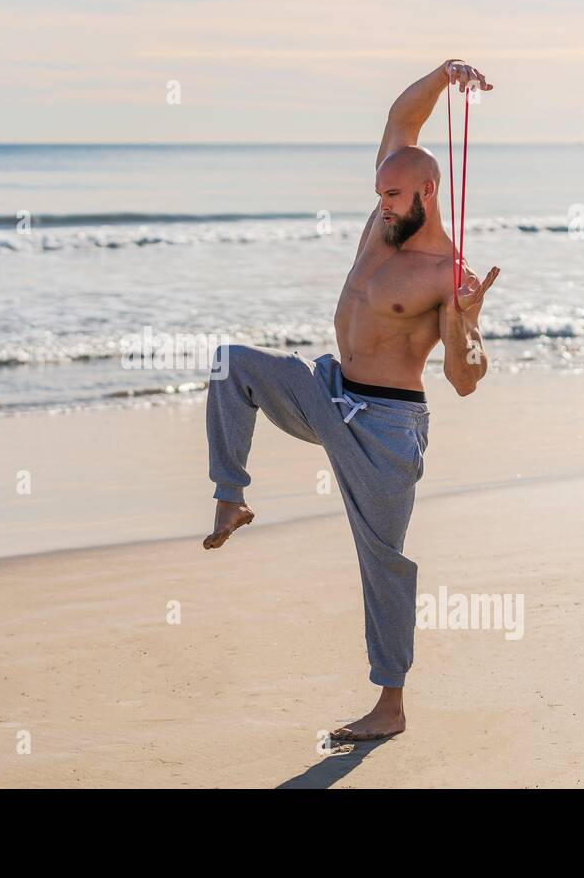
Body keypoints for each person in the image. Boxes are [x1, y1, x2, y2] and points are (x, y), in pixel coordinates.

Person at [202, 59, 501, 741]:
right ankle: (231, 494)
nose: (384, 203)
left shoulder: (444, 272)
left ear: (429, 190)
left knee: (384, 561)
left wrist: (470, 321)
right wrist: (443, 72)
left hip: (388, 429)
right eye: (380, 192)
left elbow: (464, 378)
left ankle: (389, 706)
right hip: (330, 387)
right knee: (231, 367)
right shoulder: (384, 212)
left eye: (395, 194)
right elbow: (403, 118)